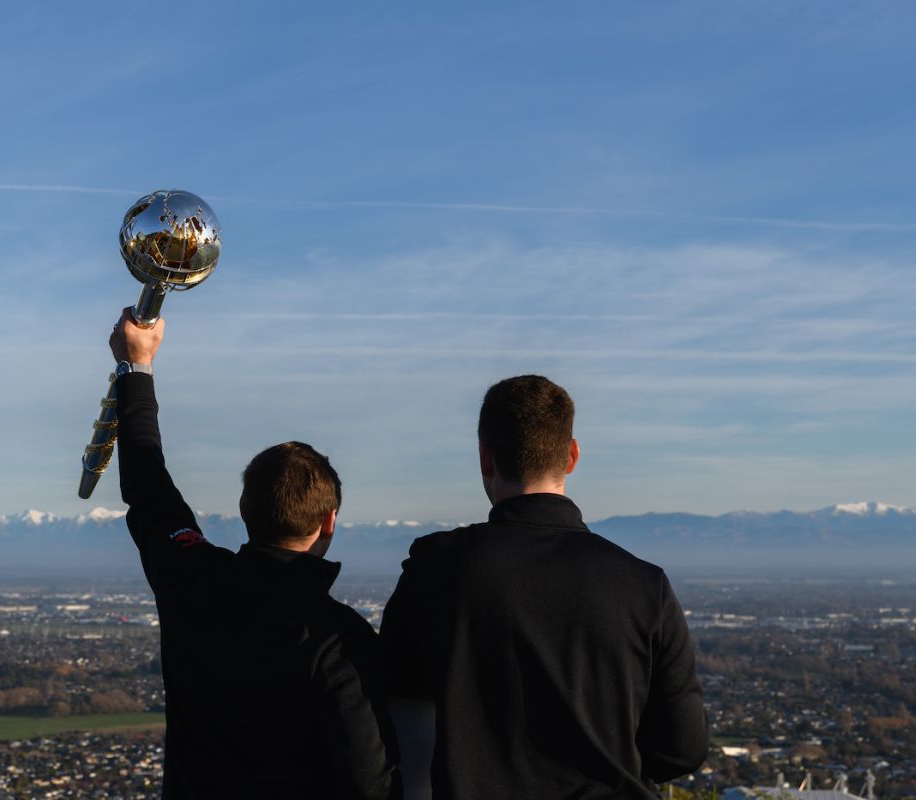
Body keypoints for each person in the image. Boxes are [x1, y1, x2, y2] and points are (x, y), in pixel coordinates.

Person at [110, 309, 401, 800]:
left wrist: (136, 365)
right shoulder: (338, 639)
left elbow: (147, 484)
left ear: (244, 510)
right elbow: (369, 783)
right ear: (329, 522)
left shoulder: (193, 579)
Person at [380, 375, 708, 799]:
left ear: (485, 459)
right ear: (571, 456)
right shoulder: (645, 586)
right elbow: (682, 750)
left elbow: (393, 694)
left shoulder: (437, 570)